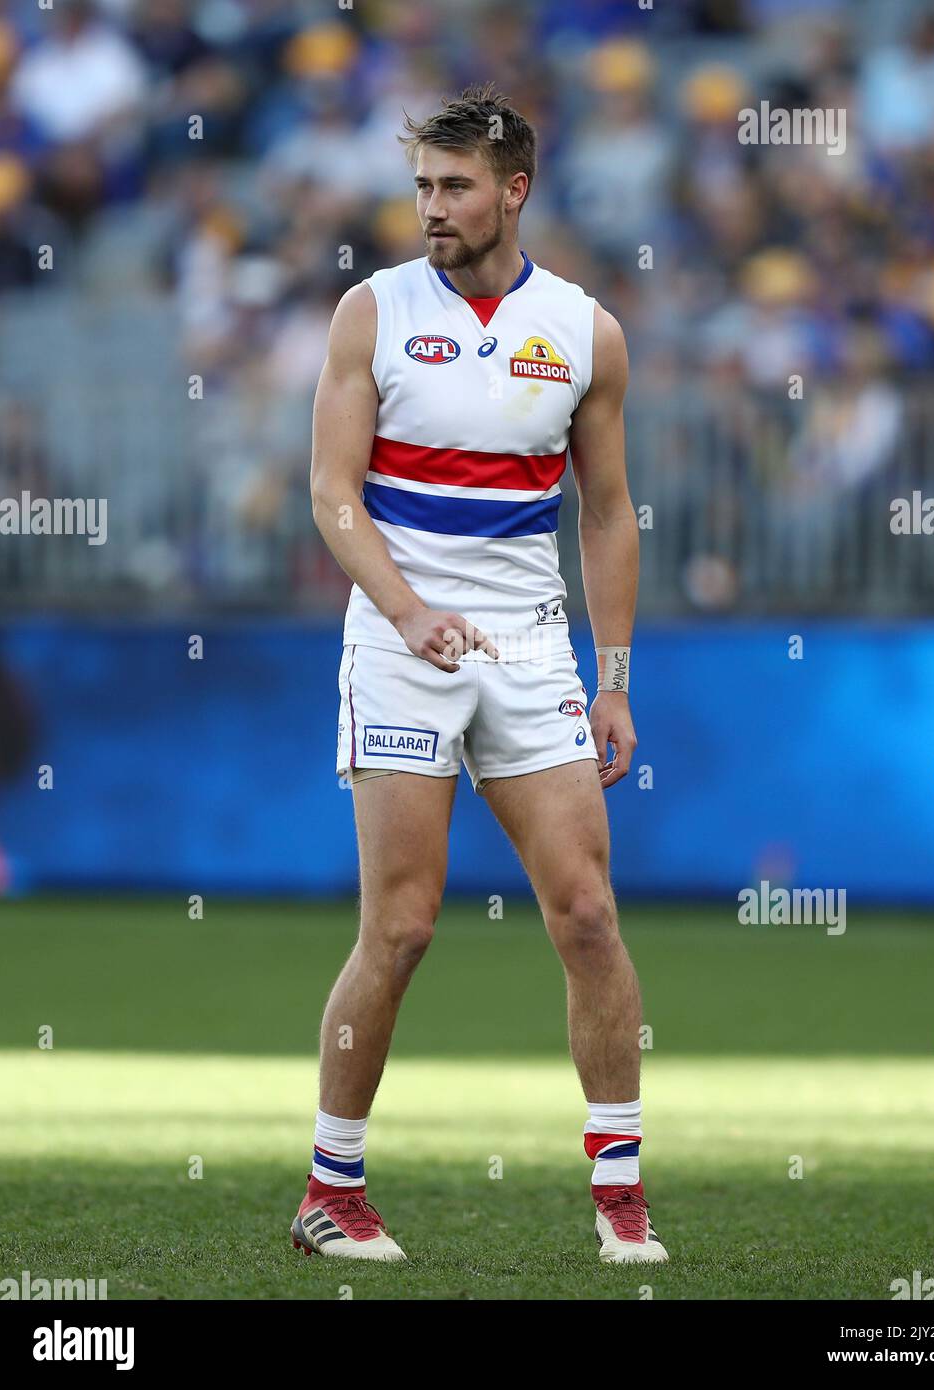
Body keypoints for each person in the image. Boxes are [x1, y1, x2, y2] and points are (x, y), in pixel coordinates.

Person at [295, 83, 665, 1265]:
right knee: (400, 926)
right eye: (421, 187)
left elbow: (606, 511)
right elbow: (331, 494)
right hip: (400, 650)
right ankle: (331, 1189)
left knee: (590, 913)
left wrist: (611, 678)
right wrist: (406, 612)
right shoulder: (372, 312)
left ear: (514, 190)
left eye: (455, 187)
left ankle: (620, 1197)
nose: (432, 208)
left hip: (529, 648)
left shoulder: (585, 330)